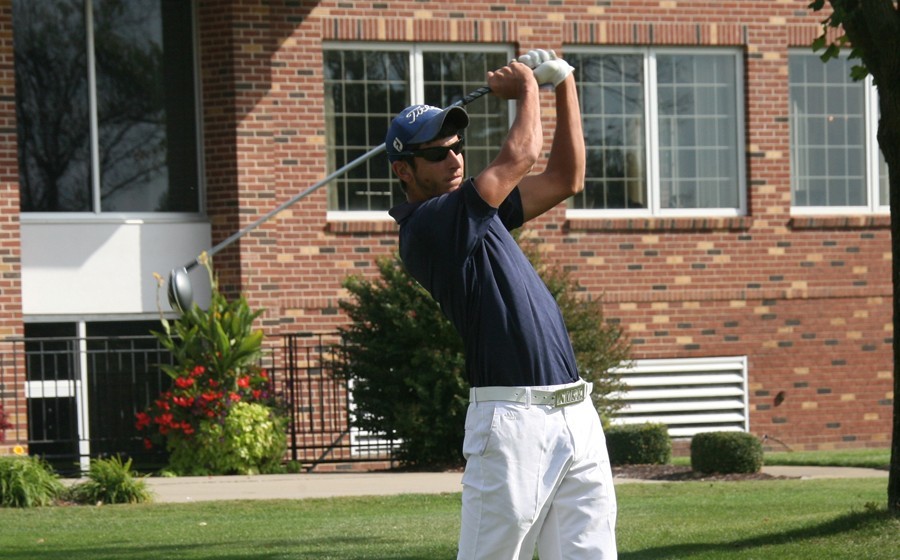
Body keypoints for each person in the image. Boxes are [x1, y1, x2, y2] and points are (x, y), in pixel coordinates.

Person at [386, 49, 618, 560]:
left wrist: (565, 84)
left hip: (574, 411)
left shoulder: (477, 213)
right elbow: (519, 157)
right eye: (436, 154)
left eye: (457, 148)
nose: (454, 160)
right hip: (512, 419)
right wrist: (527, 90)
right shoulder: (427, 227)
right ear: (403, 170)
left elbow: (565, 178)